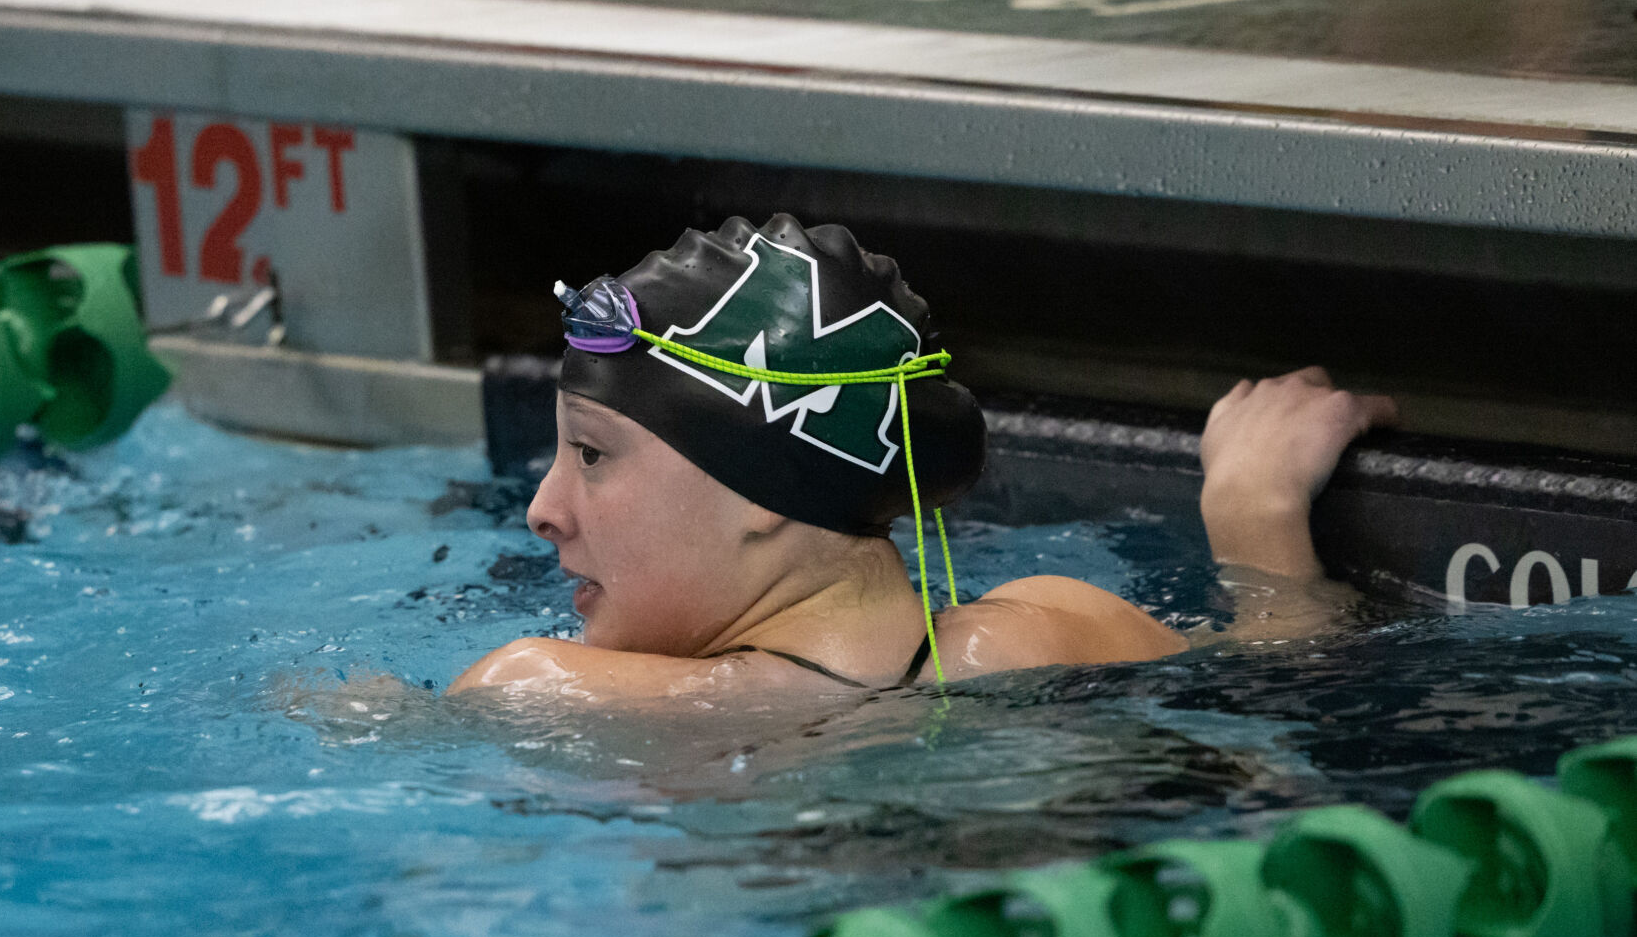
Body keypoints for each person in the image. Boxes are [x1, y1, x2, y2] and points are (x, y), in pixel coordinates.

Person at [448, 214, 1396, 701]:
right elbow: (1279, 695)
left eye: (592, 455)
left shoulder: (549, 696)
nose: (543, 507)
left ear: (763, 495)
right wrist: (1255, 520)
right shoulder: (1048, 634)